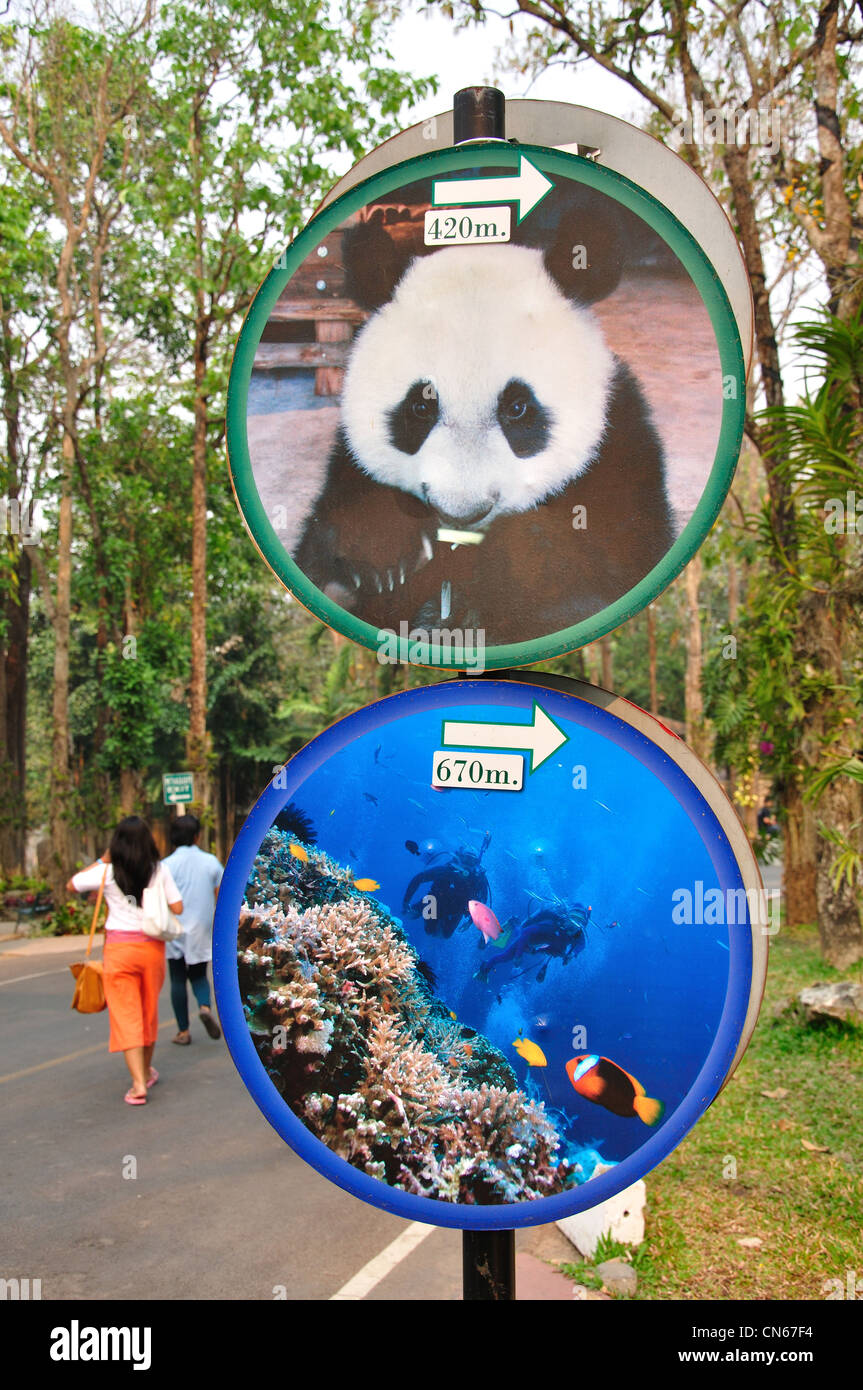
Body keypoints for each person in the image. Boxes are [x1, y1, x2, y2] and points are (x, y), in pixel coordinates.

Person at [68, 816, 182, 1106]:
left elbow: (73, 884)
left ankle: (138, 1083)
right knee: (148, 1012)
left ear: (116, 843)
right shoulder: (159, 869)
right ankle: (145, 1070)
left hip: (119, 951)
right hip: (151, 948)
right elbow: (178, 907)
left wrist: (103, 858)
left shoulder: (107, 871)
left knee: (126, 1015)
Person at [162, 814, 224, 1045]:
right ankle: (205, 1006)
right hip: (201, 927)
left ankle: (183, 1032)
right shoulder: (210, 862)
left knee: (178, 978)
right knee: (198, 974)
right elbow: (221, 895)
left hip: (174, 928)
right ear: (198, 836)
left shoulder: (165, 865)